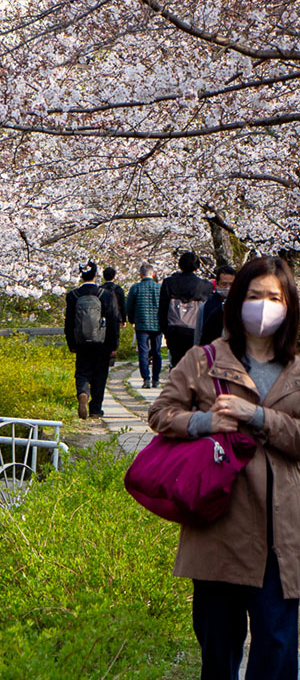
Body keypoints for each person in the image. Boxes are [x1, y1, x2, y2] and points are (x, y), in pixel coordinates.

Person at [148, 256, 300, 680]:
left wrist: (259, 417)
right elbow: (161, 413)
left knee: (277, 646)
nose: (264, 306)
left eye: (274, 297)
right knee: (218, 650)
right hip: (218, 525)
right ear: (236, 301)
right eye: (254, 296)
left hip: (281, 533)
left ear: (290, 305)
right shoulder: (203, 360)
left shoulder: (297, 369)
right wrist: (203, 421)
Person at [64, 261, 120, 419]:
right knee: (100, 374)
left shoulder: (73, 296)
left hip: (81, 342)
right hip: (102, 342)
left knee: (82, 371)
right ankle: (95, 409)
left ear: (81, 275)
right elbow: (113, 321)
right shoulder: (105, 295)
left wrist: (71, 343)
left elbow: (69, 323)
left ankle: (82, 393)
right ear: (96, 275)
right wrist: (113, 345)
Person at [158, 251, 213, 368]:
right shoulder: (204, 285)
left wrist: (165, 330)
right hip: (195, 329)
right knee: (194, 365)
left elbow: (162, 309)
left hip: (174, 329)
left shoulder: (169, 283)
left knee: (177, 363)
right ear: (197, 266)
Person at [126, 262, 162, 388]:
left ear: (140, 274)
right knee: (157, 352)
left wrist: (131, 320)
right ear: (153, 274)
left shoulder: (135, 288)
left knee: (143, 352)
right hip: (158, 325)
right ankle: (156, 379)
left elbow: (129, 307)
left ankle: (146, 379)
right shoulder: (159, 287)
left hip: (141, 324)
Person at [195, 265, 236, 346]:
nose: (228, 288)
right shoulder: (205, 307)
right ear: (217, 284)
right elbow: (199, 334)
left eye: (231, 284)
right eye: (224, 284)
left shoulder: (243, 306)